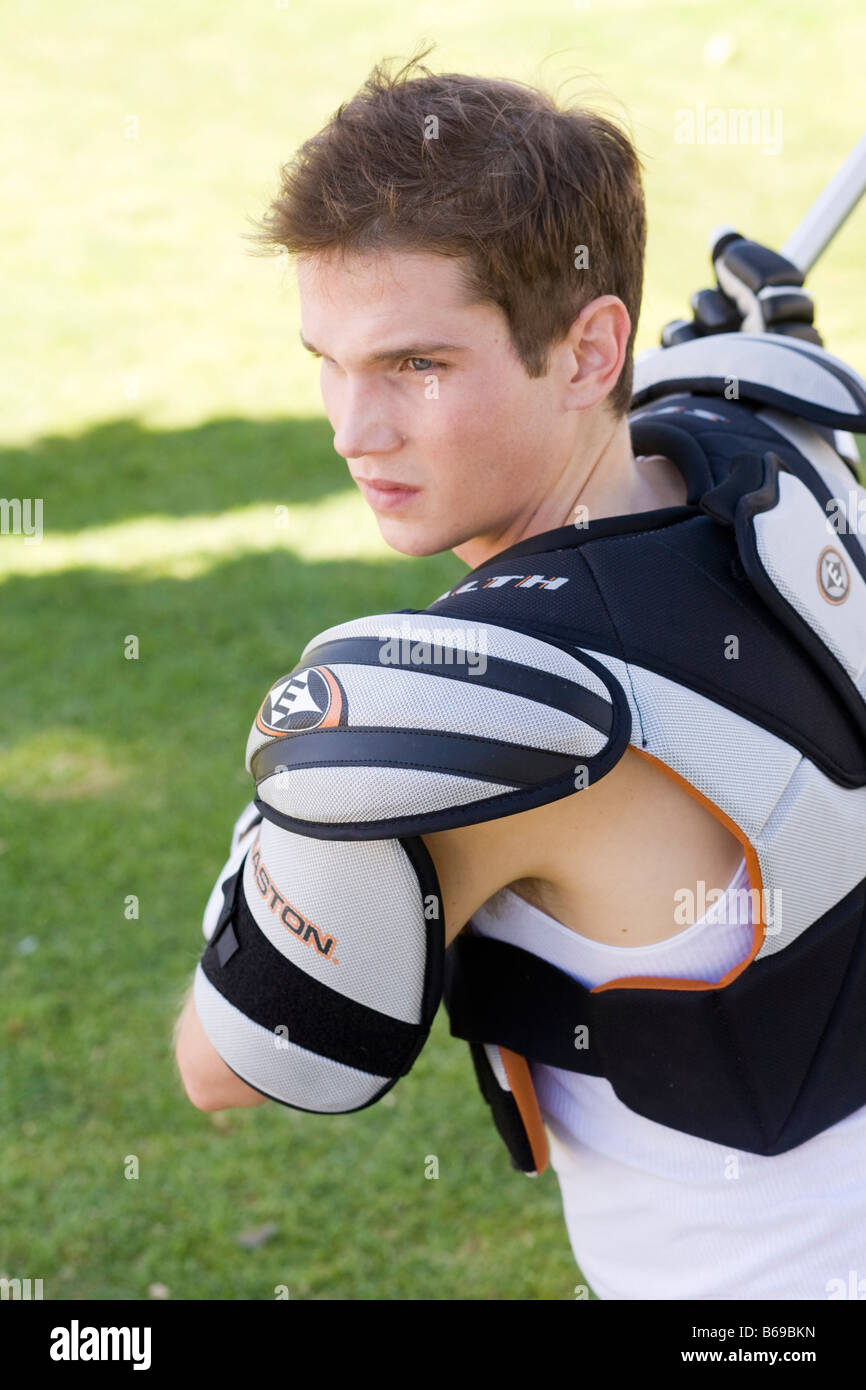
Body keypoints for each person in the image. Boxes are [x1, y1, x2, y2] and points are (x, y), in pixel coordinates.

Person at [174, 50, 866, 1299]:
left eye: (416, 367)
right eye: (324, 360)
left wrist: (306, 782)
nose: (350, 427)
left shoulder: (503, 725)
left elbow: (225, 1062)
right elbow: (698, 435)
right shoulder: (777, 463)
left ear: (594, 347)